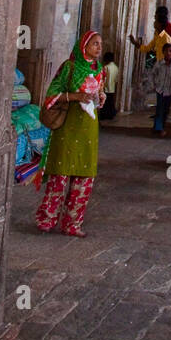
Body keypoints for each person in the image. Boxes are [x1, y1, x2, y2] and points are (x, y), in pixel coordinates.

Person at [35, 30, 106, 237]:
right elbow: (51, 95)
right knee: (61, 173)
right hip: (68, 126)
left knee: (84, 176)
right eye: (94, 44)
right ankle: (47, 219)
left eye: (100, 44)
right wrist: (75, 96)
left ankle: (73, 223)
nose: (99, 47)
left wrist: (101, 98)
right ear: (83, 46)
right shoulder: (70, 67)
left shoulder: (100, 70)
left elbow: (99, 93)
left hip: (88, 129)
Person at [151, 40, 171, 136]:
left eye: (170, 51)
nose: (168, 53)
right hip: (160, 89)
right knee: (159, 109)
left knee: (165, 110)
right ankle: (158, 128)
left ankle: (160, 126)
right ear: (163, 52)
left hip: (169, 90)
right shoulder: (159, 64)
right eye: (167, 51)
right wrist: (155, 84)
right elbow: (153, 74)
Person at [98, 51, 119, 121]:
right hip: (112, 88)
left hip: (106, 88)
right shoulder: (116, 67)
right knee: (110, 102)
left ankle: (104, 115)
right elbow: (116, 79)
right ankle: (111, 115)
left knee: (105, 103)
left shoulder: (106, 67)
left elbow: (103, 78)